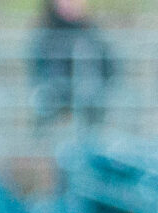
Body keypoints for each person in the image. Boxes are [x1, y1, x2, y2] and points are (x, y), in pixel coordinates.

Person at [32, 0, 117, 133]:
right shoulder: (46, 35)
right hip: (57, 95)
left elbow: (109, 66)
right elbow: (41, 71)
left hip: (89, 96)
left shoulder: (92, 32)